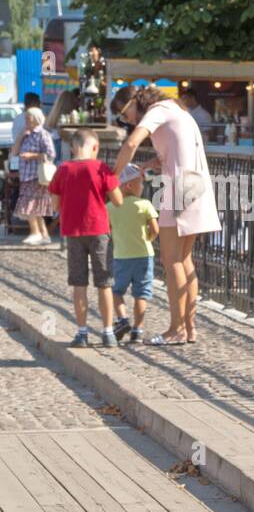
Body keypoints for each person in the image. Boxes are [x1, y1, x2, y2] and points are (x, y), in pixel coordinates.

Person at [111, 84, 221, 346]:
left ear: (135, 104)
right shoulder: (176, 109)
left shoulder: (157, 111)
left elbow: (132, 142)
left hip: (180, 187)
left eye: (126, 115)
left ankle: (176, 329)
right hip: (197, 183)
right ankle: (189, 327)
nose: (128, 121)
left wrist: (113, 176)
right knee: (184, 259)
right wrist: (151, 164)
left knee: (170, 259)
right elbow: (177, 150)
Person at [47, 129, 123, 348]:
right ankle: (108, 332)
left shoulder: (63, 170)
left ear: (72, 147)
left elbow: (54, 205)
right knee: (104, 283)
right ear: (95, 147)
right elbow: (118, 201)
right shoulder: (100, 168)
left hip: (73, 232)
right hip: (99, 230)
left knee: (78, 283)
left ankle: (82, 333)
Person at [108, 164, 160, 344]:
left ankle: (122, 320)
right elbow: (155, 229)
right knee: (141, 294)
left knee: (117, 291)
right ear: (128, 185)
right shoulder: (144, 205)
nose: (143, 186)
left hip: (121, 256)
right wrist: (149, 239)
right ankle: (137, 330)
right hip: (144, 255)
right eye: (140, 183)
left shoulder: (110, 207)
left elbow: (108, 229)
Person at [14, 106, 56, 245]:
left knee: (29, 204)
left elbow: (50, 154)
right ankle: (44, 234)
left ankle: (35, 232)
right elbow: (15, 152)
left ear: (36, 119)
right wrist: (21, 135)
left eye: (29, 117)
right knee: (35, 207)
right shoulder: (26, 134)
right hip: (26, 175)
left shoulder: (43, 134)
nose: (26, 120)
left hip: (37, 176)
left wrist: (32, 155)